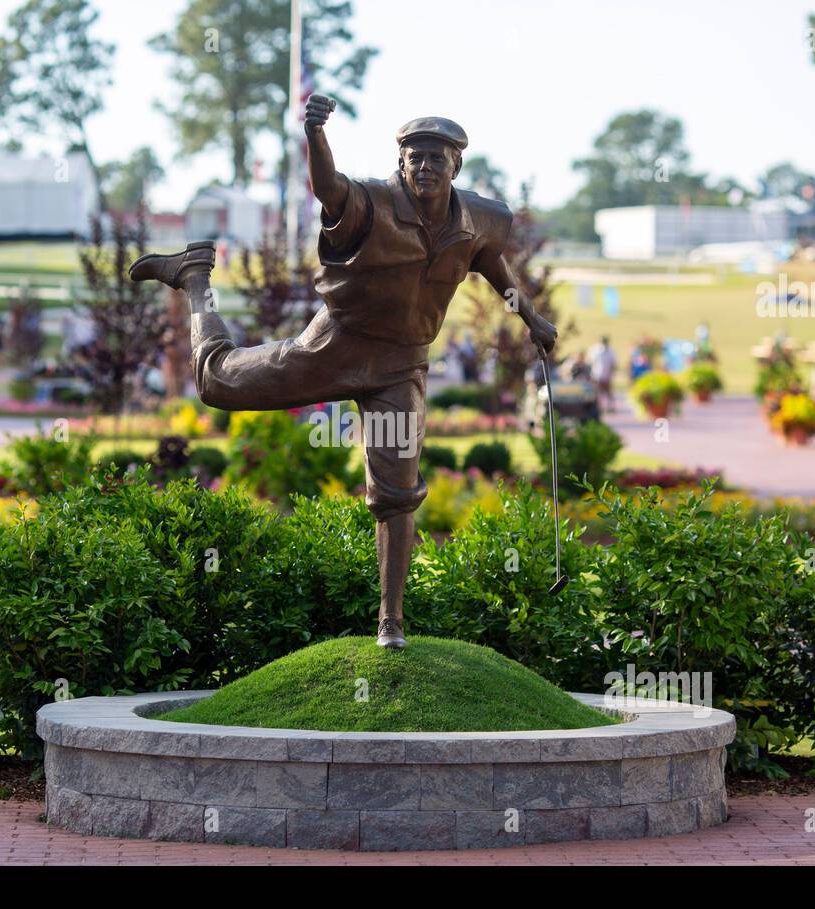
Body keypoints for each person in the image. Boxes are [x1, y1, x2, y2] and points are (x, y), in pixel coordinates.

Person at [128, 100, 557, 649]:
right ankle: (194, 279)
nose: (425, 167)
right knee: (217, 382)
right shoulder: (372, 202)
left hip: (401, 366)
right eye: (415, 157)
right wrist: (314, 132)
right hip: (336, 345)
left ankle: (391, 621)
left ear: (456, 167)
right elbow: (327, 187)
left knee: (397, 491)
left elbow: (490, 262)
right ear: (400, 161)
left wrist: (531, 315)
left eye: (436, 159)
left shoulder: (480, 219)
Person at [586, 336, 617, 413]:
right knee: (598, 392)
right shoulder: (595, 350)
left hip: (607, 375)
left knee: (608, 392)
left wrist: (611, 374)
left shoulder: (611, 351)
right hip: (596, 374)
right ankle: (599, 408)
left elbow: (613, 364)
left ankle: (610, 407)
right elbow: (590, 362)